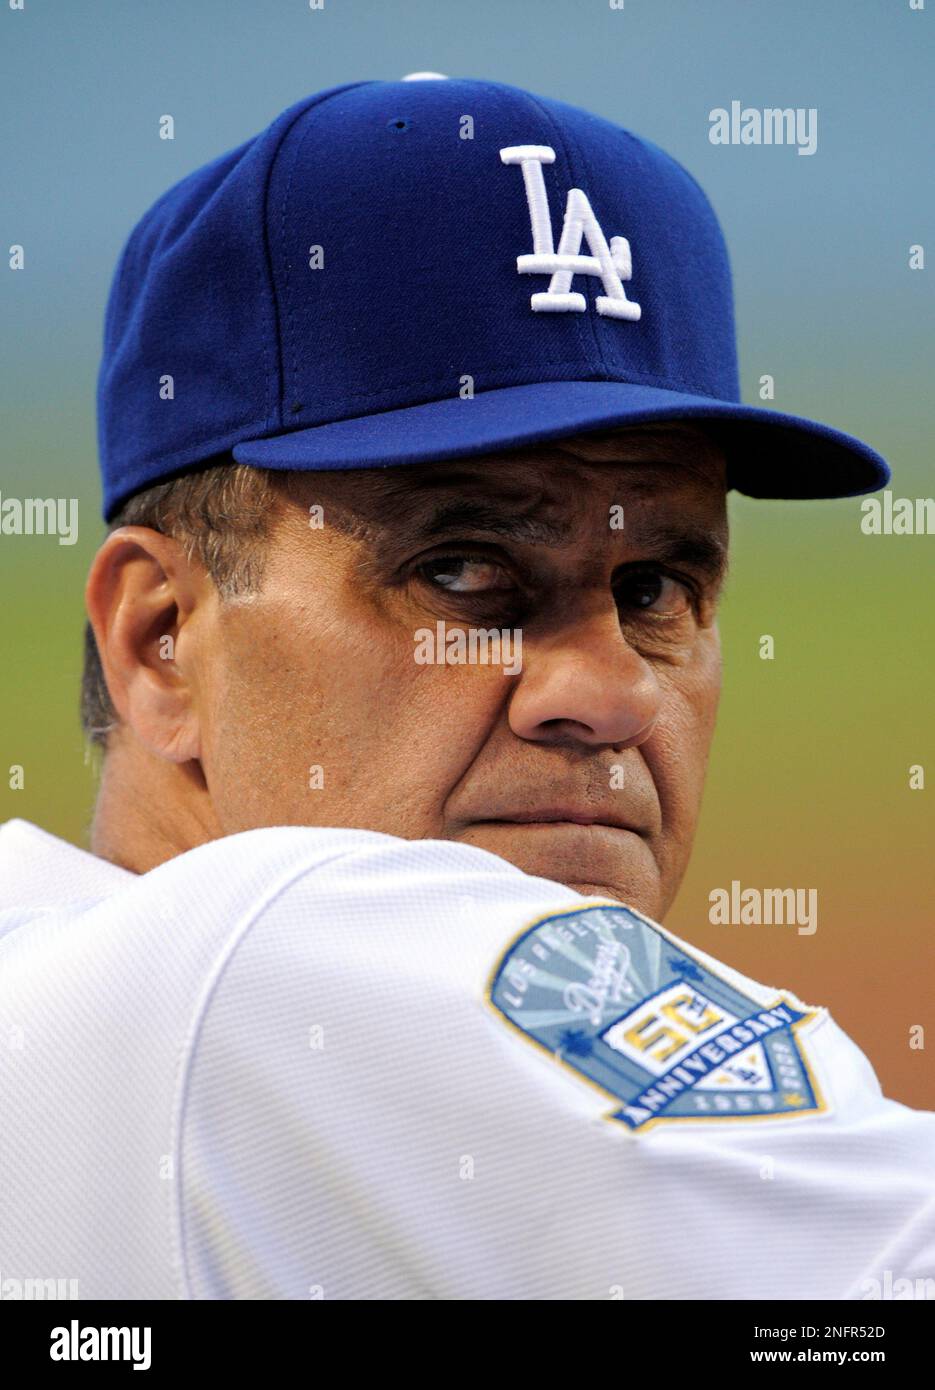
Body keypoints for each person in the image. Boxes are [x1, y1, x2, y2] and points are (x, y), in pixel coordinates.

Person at [1, 76, 932, 1301]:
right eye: (463, 571)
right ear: (161, 639)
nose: (607, 694)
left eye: (653, 585)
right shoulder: (262, 962)